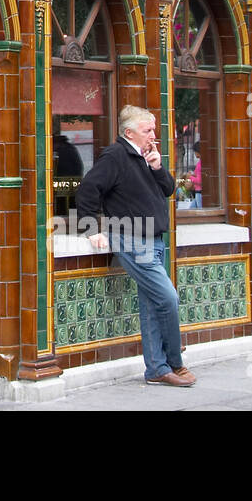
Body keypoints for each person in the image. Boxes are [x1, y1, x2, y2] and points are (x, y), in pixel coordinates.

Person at [76, 104, 195, 387]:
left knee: (154, 305)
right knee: (168, 299)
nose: (153, 134)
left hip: (154, 241)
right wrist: (91, 228)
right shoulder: (116, 155)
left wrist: (157, 166)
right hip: (131, 240)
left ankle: (155, 369)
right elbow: (88, 189)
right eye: (147, 130)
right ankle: (175, 363)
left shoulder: (146, 155)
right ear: (129, 132)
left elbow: (168, 190)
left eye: (153, 129)